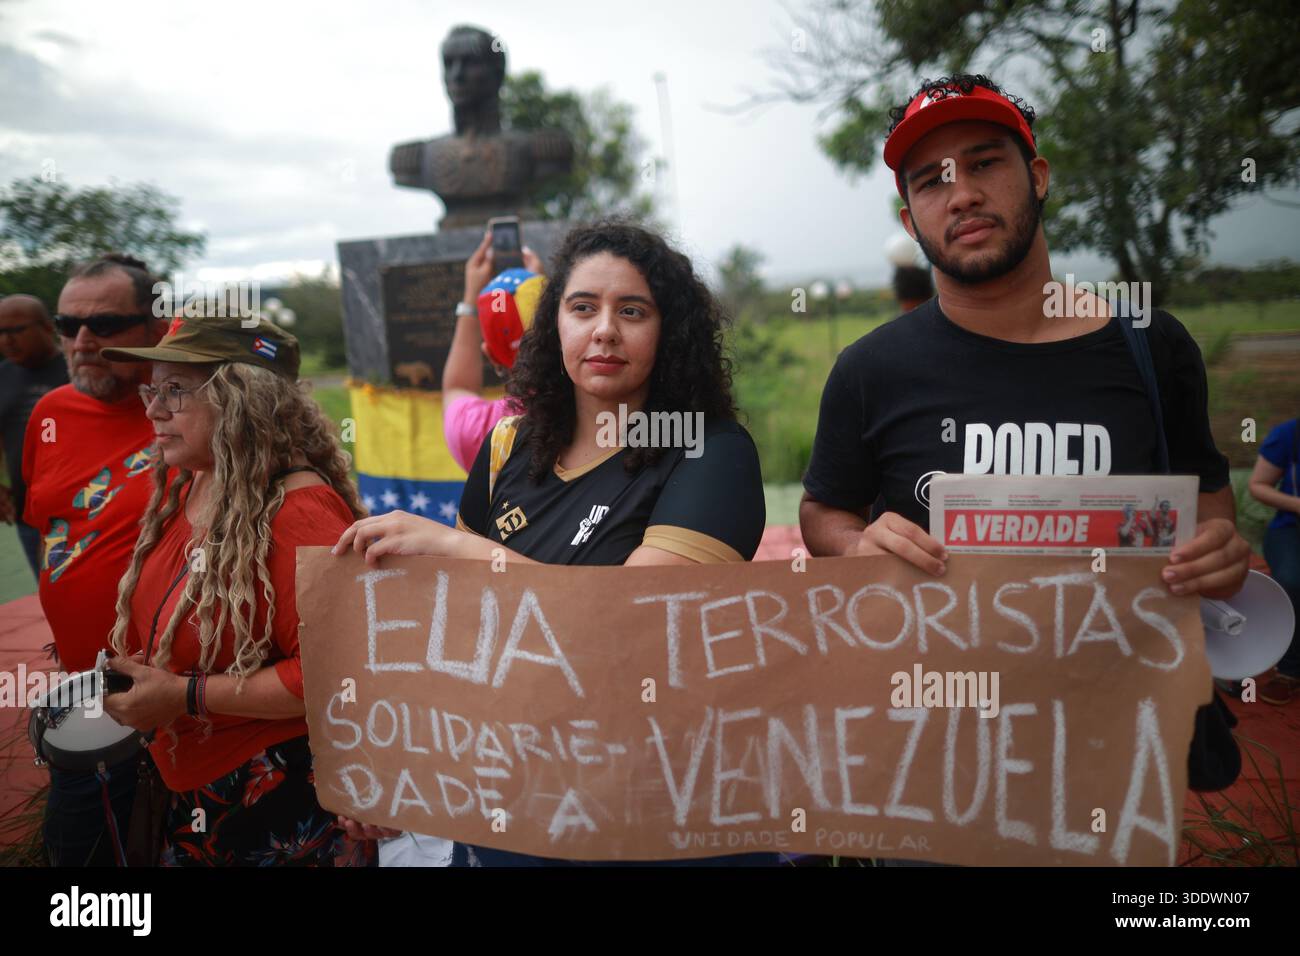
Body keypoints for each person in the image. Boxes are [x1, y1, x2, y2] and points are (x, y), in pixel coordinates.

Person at [800, 76, 1251, 852]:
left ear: (1037, 177)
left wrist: (1219, 551)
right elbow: (825, 513)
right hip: (936, 767)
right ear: (911, 218)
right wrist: (851, 544)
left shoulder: (1152, 345)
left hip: (1122, 758)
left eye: (985, 164)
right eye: (932, 182)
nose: (963, 194)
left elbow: (1209, 501)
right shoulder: (870, 370)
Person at [333, 221, 772, 866]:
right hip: (511, 808)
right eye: (582, 307)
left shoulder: (710, 451)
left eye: (633, 311)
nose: (604, 330)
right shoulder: (510, 443)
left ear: (670, 331)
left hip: (658, 814)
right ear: (554, 325)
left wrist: (459, 549)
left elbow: (633, 621)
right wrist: (397, 767)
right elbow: (463, 635)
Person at [97, 315, 366, 866]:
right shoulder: (200, 478)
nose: (152, 408)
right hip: (194, 780)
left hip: (274, 793)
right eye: (152, 388)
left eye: (175, 390)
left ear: (245, 400)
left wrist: (183, 696)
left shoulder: (301, 515)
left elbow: (334, 680)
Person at [22, 253, 169, 866]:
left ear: (157, 328)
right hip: (87, 693)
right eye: (67, 324)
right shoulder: (50, 413)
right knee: (82, 868)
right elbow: (50, 525)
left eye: (105, 325)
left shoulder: (196, 412)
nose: (82, 342)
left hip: (181, 695)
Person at [442, 229, 543, 472]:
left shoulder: (477, 430)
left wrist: (470, 299)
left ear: (490, 356)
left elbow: (458, 388)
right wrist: (538, 292)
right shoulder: (599, 412)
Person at [0, 294, 67, 576]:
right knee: (51, 599)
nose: (7, 340)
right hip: (29, 515)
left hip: (83, 509)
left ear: (48, 327)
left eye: (16, 330)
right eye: (0, 332)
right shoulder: (3, 375)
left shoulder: (78, 369)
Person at [1249, 417, 1300, 704]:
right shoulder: (1289, 434)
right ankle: (1290, 671)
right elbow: (1258, 485)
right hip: (1290, 529)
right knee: (1292, 580)